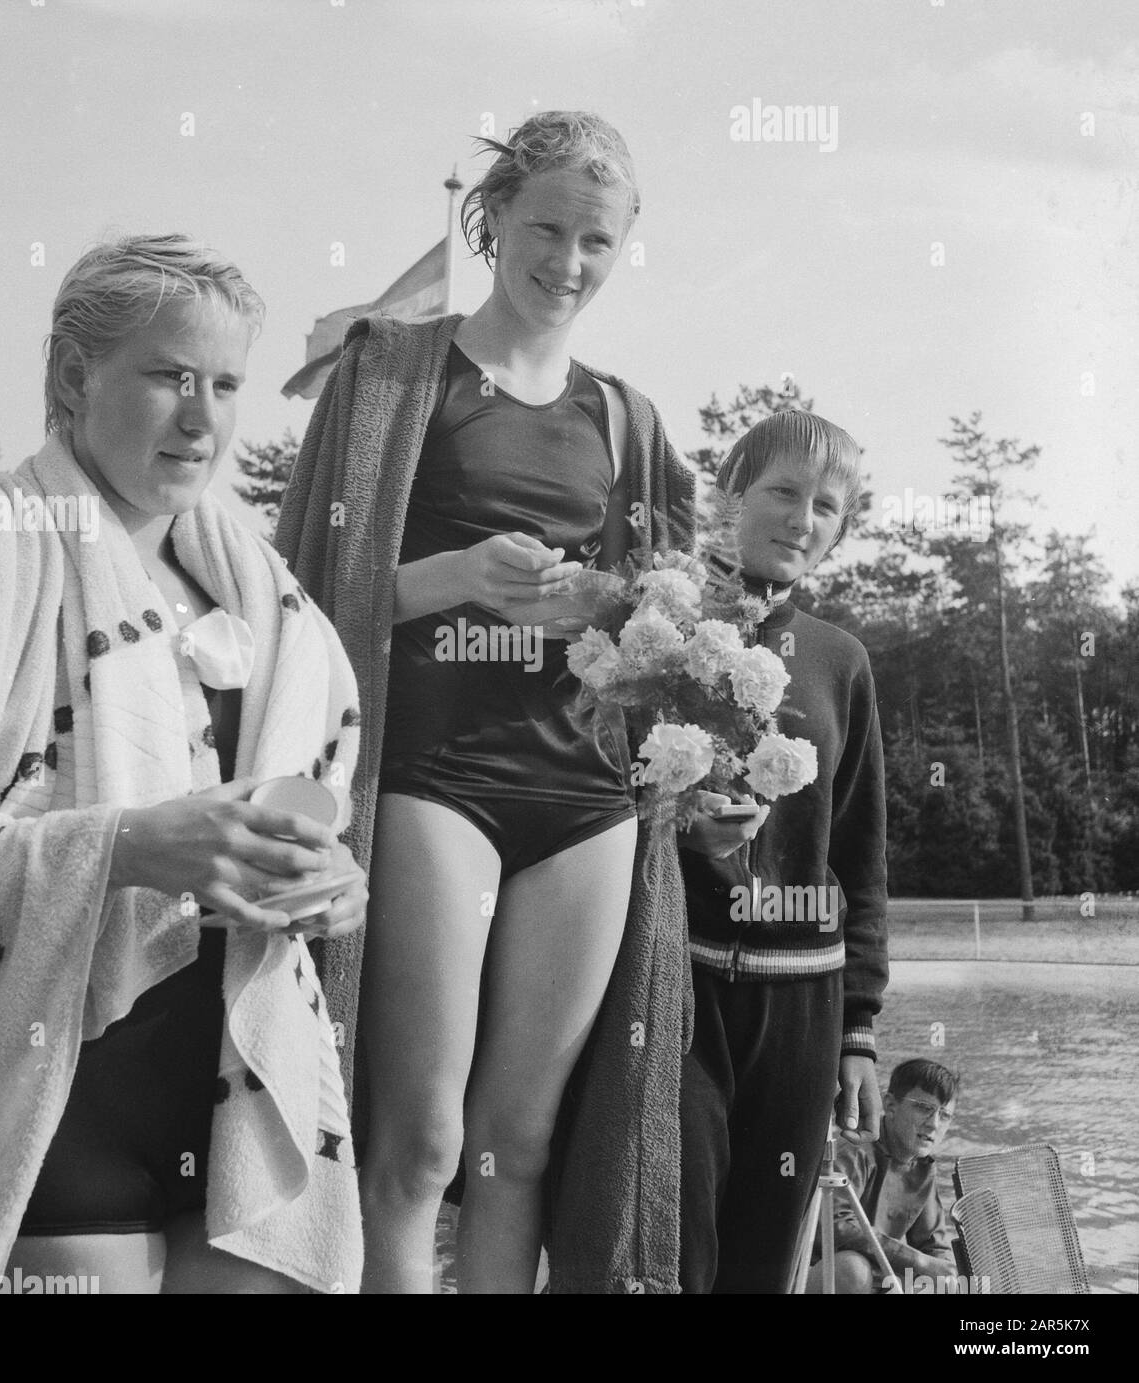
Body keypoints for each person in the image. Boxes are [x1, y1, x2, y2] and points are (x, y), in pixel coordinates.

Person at [0, 234, 367, 1294]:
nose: (203, 416)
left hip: (237, 1061)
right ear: (77, 377)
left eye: (225, 383)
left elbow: (310, 809)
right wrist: (123, 846)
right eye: (170, 374)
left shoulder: (265, 592)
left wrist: (331, 886)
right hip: (50, 1071)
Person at [275, 111, 697, 1293]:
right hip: (430, 778)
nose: (568, 261)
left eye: (596, 241)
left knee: (520, 1148)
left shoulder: (629, 419)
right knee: (419, 1143)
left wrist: (604, 614)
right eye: (547, 228)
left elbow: (670, 633)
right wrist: (451, 579)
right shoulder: (388, 375)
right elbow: (297, 593)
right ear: (493, 216)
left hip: (585, 798)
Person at [677, 408, 889, 1293]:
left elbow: (860, 852)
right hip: (674, 984)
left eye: (828, 507)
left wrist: (860, 1031)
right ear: (729, 497)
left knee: (764, 1261)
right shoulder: (661, 625)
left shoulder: (841, 661)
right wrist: (675, 819)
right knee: (669, 1242)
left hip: (802, 1002)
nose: (805, 519)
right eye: (784, 492)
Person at [808, 1057, 958, 1293]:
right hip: (818, 1275)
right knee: (853, 1269)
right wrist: (917, 1261)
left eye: (945, 1115)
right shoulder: (855, 1152)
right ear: (890, 1105)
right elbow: (835, 1224)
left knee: (947, 1282)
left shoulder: (923, 1167)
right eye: (924, 1108)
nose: (934, 1124)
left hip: (881, 1281)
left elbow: (934, 1246)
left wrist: (946, 1272)